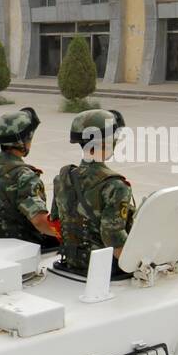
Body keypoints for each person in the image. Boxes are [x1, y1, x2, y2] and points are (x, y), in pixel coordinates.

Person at [51, 108, 136, 274]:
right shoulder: (115, 186)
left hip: (70, 266)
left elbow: (55, 222)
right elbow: (113, 237)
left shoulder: (62, 178)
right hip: (104, 271)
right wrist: (140, 265)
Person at [0, 106, 58, 246]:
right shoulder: (26, 177)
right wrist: (68, 234)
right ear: (23, 142)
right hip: (26, 250)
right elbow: (40, 222)